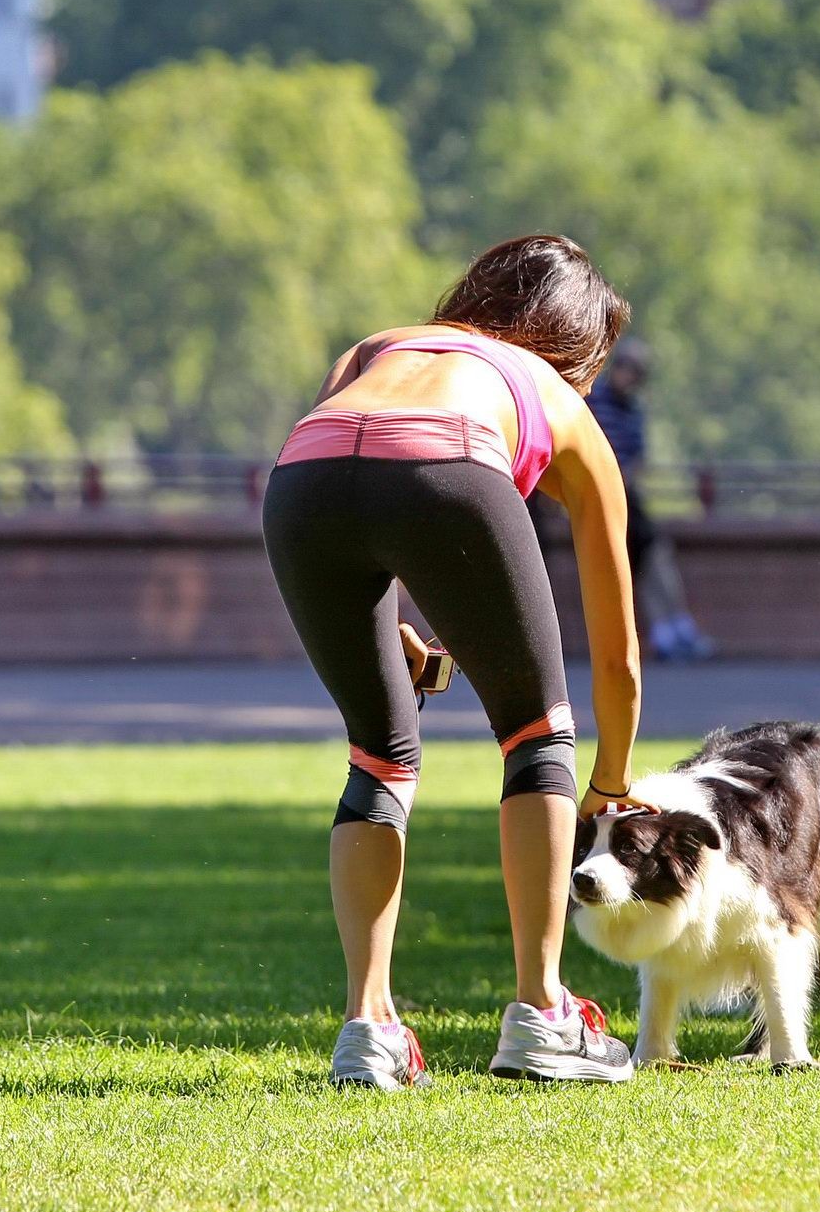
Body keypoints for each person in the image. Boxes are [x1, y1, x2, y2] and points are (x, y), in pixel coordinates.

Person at [261, 235, 643, 1088]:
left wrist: (386, 613)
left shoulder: (372, 349)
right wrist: (609, 783)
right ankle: (542, 1011)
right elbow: (616, 653)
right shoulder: (554, 394)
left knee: (379, 752)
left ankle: (368, 1027)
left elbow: (355, 461)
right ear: (575, 344)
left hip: (299, 484)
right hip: (450, 468)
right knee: (537, 736)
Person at [585, 341, 716, 661]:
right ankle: (672, 630)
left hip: (625, 492)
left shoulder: (632, 410)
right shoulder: (594, 400)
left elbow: (638, 457)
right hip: (599, 489)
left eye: (634, 372)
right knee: (647, 556)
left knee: (650, 556)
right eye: (624, 368)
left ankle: (671, 631)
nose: (627, 376)